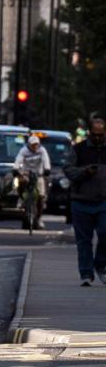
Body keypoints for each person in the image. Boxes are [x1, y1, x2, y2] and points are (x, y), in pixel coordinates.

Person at [63, 117, 106, 286]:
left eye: (101, 135)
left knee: (105, 233)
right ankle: (86, 273)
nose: (98, 138)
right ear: (89, 133)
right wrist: (84, 173)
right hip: (81, 202)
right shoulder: (78, 150)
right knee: (83, 240)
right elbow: (68, 169)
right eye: (95, 135)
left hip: (103, 201)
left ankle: (101, 264)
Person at [14, 135, 52, 229]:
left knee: (41, 195)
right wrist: (16, 168)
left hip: (38, 175)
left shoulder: (42, 150)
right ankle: (21, 197)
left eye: (36, 145)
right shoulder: (24, 151)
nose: (34, 147)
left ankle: (39, 217)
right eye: (32, 145)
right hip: (26, 174)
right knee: (19, 181)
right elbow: (18, 160)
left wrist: (47, 169)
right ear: (29, 144)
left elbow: (46, 160)